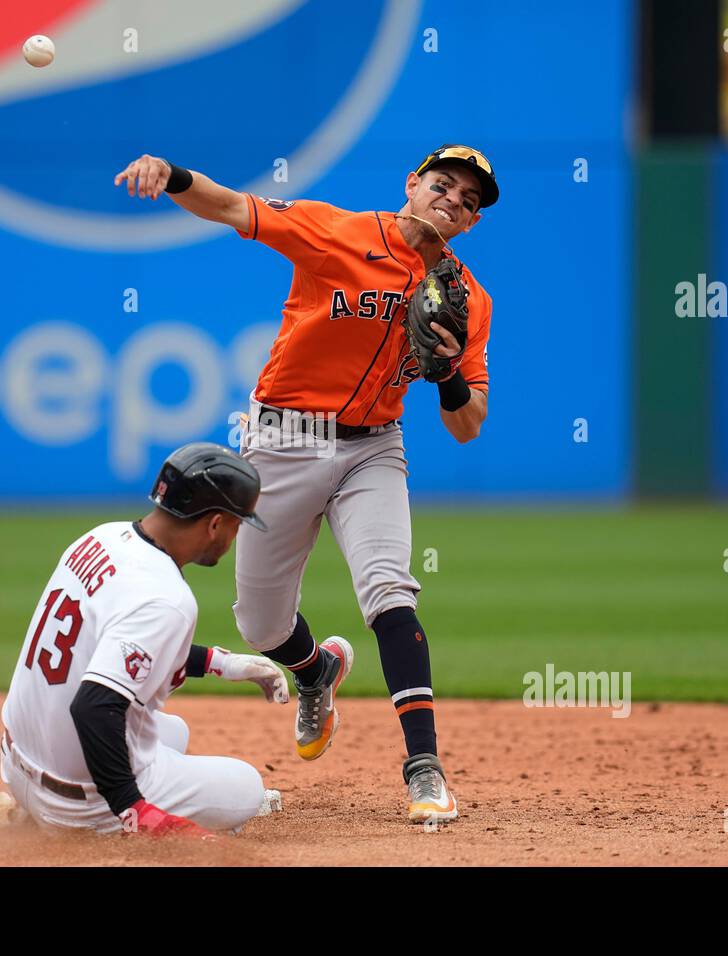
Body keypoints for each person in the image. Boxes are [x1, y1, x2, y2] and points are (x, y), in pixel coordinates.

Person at [113, 144, 498, 822]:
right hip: (284, 440)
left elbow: (469, 425)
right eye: (443, 185)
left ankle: (424, 768)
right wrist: (170, 175)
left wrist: (449, 377)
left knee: (388, 589)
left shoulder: (466, 297)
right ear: (411, 185)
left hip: (373, 447)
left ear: (471, 222)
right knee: (260, 624)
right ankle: (316, 670)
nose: (453, 202)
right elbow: (233, 205)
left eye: (469, 202)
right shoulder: (337, 232)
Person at [0, 442, 289, 836]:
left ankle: (28, 809)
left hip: (16, 764)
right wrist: (132, 808)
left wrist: (221, 663)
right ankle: (90, 820)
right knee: (246, 788)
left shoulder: (102, 538)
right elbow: (94, 708)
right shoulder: (168, 598)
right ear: (215, 523)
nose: (236, 533)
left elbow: (112, 645)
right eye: (237, 523)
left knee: (174, 732)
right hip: (78, 806)